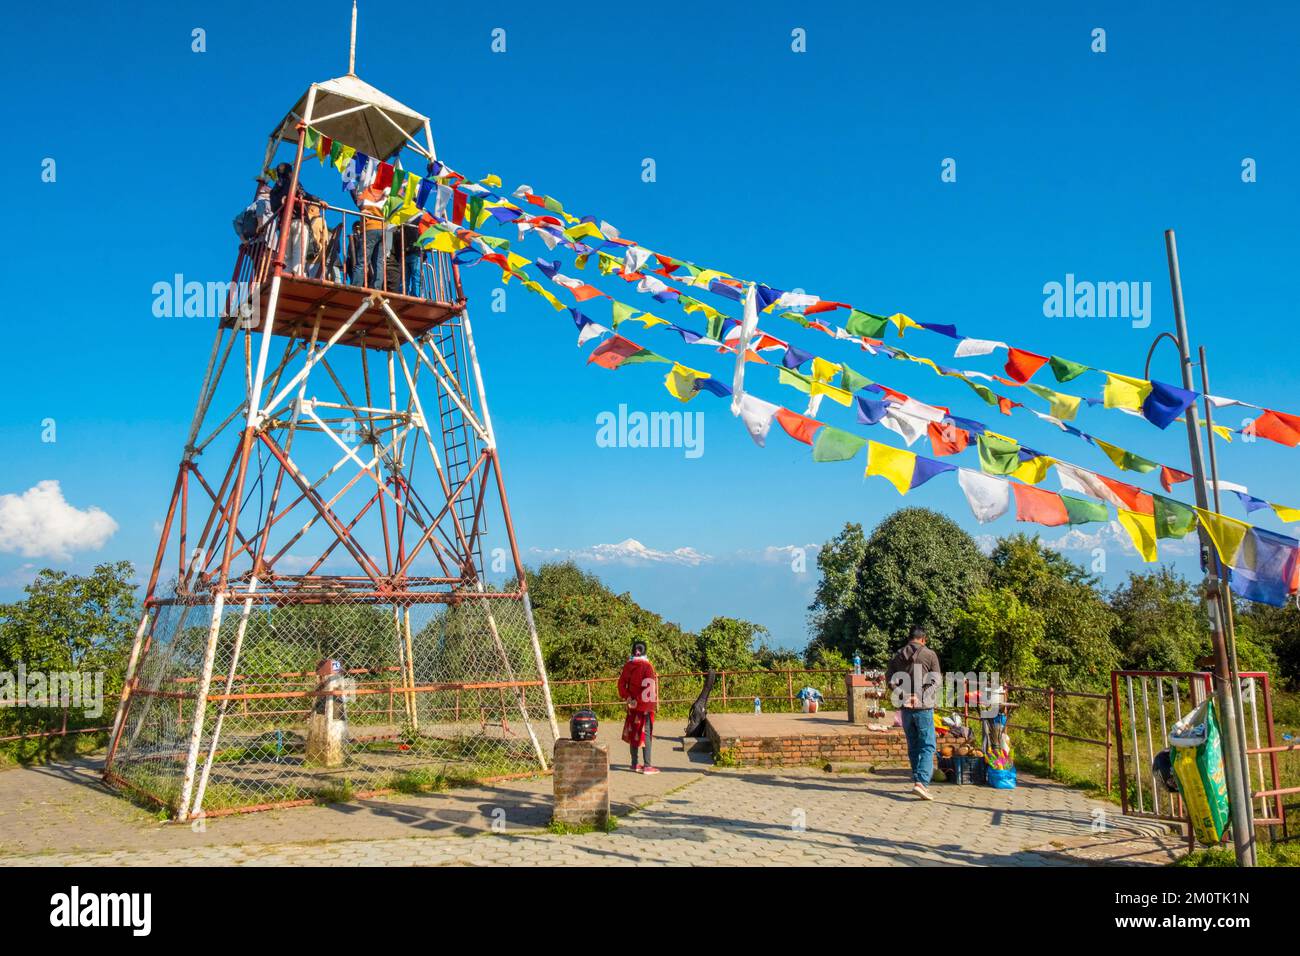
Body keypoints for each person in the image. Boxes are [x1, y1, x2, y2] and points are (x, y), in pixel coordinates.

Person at [886, 625, 942, 800]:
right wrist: (921, 696)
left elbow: (890, 680)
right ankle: (921, 783)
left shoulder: (897, 656)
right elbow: (936, 680)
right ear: (923, 639)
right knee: (928, 745)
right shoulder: (929, 654)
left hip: (905, 708)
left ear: (909, 638)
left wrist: (904, 695)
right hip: (923, 707)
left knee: (913, 745)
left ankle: (918, 778)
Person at [268, 162, 323, 276]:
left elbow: (273, 207)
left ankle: (286, 273)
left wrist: (282, 201)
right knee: (299, 249)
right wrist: (318, 200)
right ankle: (297, 274)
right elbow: (303, 193)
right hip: (299, 219)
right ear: (290, 172)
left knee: (286, 253)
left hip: (284, 222)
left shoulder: (275, 189)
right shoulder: (292, 182)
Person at [617, 639, 659, 774]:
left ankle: (634, 764)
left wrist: (629, 698)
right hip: (644, 707)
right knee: (646, 734)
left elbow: (621, 684)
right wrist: (639, 701)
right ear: (645, 651)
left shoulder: (628, 665)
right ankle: (647, 766)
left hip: (632, 706)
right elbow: (649, 687)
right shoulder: (647, 666)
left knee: (634, 733)